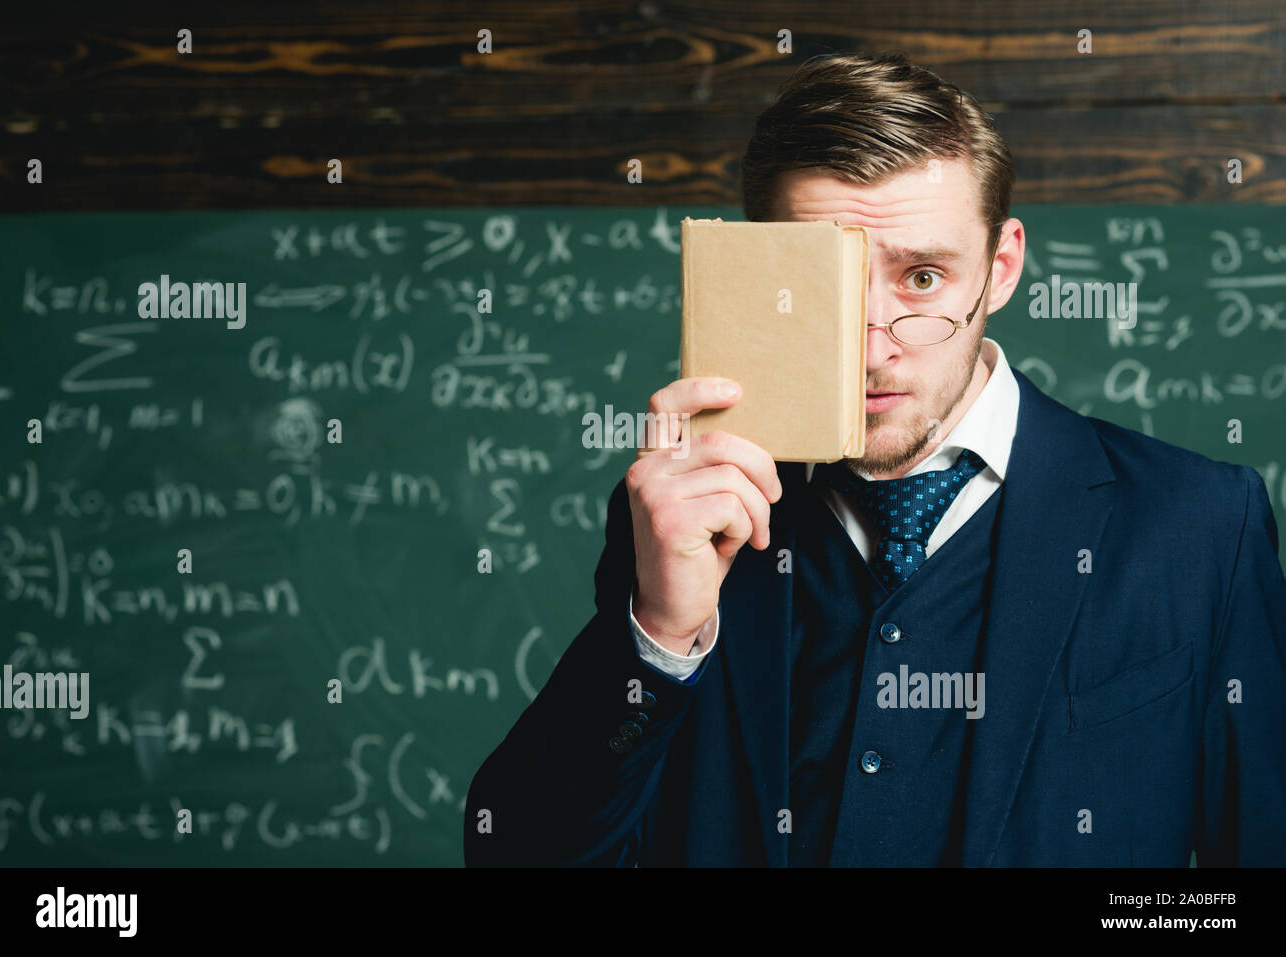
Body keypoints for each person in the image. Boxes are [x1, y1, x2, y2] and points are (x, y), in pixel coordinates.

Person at [464, 51, 1286, 866]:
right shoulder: (682, 518)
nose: (870, 348)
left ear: (1000, 268)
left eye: (922, 277)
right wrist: (659, 637)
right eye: (827, 287)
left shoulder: (1201, 525)